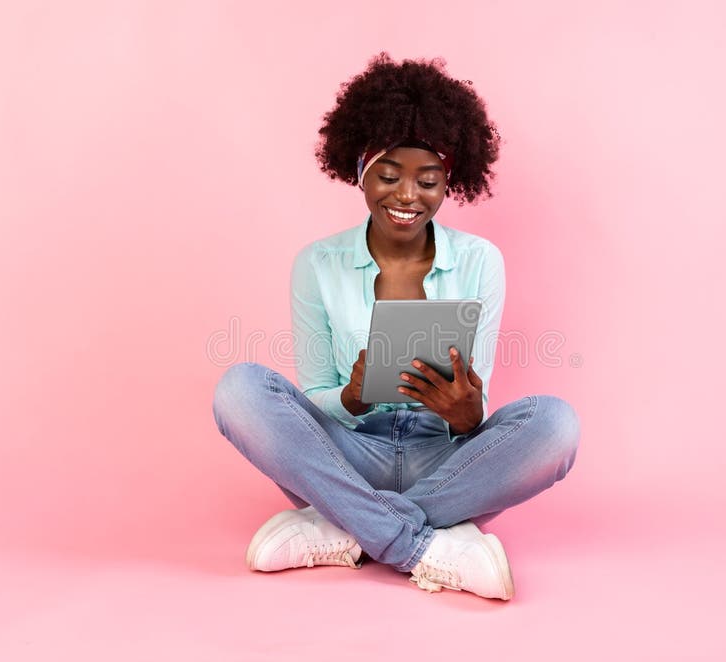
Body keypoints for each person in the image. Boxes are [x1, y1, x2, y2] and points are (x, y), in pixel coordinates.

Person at [212, 53, 580, 601]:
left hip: (446, 461)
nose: (407, 196)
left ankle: (345, 526)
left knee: (555, 425)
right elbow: (314, 396)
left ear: (449, 182)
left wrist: (465, 413)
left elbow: (477, 405)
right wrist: (352, 397)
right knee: (238, 390)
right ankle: (423, 545)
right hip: (348, 455)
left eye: (428, 181)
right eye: (389, 177)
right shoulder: (318, 263)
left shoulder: (480, 261)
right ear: (361, 172)